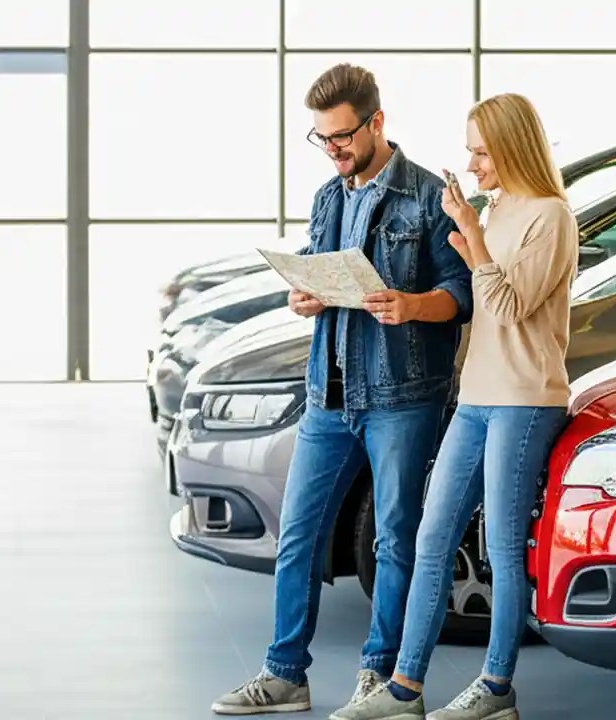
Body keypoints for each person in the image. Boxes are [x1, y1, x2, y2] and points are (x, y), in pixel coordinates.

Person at [211, 63, 473, 716]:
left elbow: (462, 296)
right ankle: (285, 676)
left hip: (403, 396)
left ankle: (380, 677)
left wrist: (414, 306)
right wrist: (304, 296)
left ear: (377, 122)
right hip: (328, 396)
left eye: (342, 137)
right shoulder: (330, 197)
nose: (333, 150)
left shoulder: (425, 197)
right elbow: (320, 270)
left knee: (394, 537)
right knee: (297, 534)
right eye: (322, 140)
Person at [332, 93, 578, 720]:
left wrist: (470, 233)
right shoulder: (496, 210)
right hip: (477, 396)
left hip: (524, 400)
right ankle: (404, 689)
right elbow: (479, 294)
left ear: (512, 147)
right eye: (470, 152)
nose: (471, 165)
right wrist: (470, 234)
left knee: (499, 546)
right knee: (433, 535)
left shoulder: (549, 217)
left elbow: (508, 306)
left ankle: (497, 690)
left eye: (480, 152)